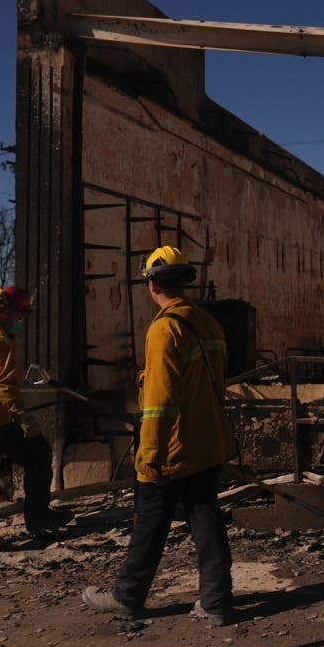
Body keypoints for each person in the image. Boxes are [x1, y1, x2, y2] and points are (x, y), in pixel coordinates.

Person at [82, 246, 237, 625]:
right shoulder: (207, 322)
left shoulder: (165, 328)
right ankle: (216, 601)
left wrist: (149, 453)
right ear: (185, 281)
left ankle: (127, 596)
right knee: (205, 517)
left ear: (151, 284)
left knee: (151, 519)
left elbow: (160, 401)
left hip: (172, 445)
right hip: (207, 440)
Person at [0, 286, 73, 562]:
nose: (20, 321)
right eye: (21, 314)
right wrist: (23, 417)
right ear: (10, 311)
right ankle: (39, 518)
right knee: (38, 456)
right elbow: (4, 384)